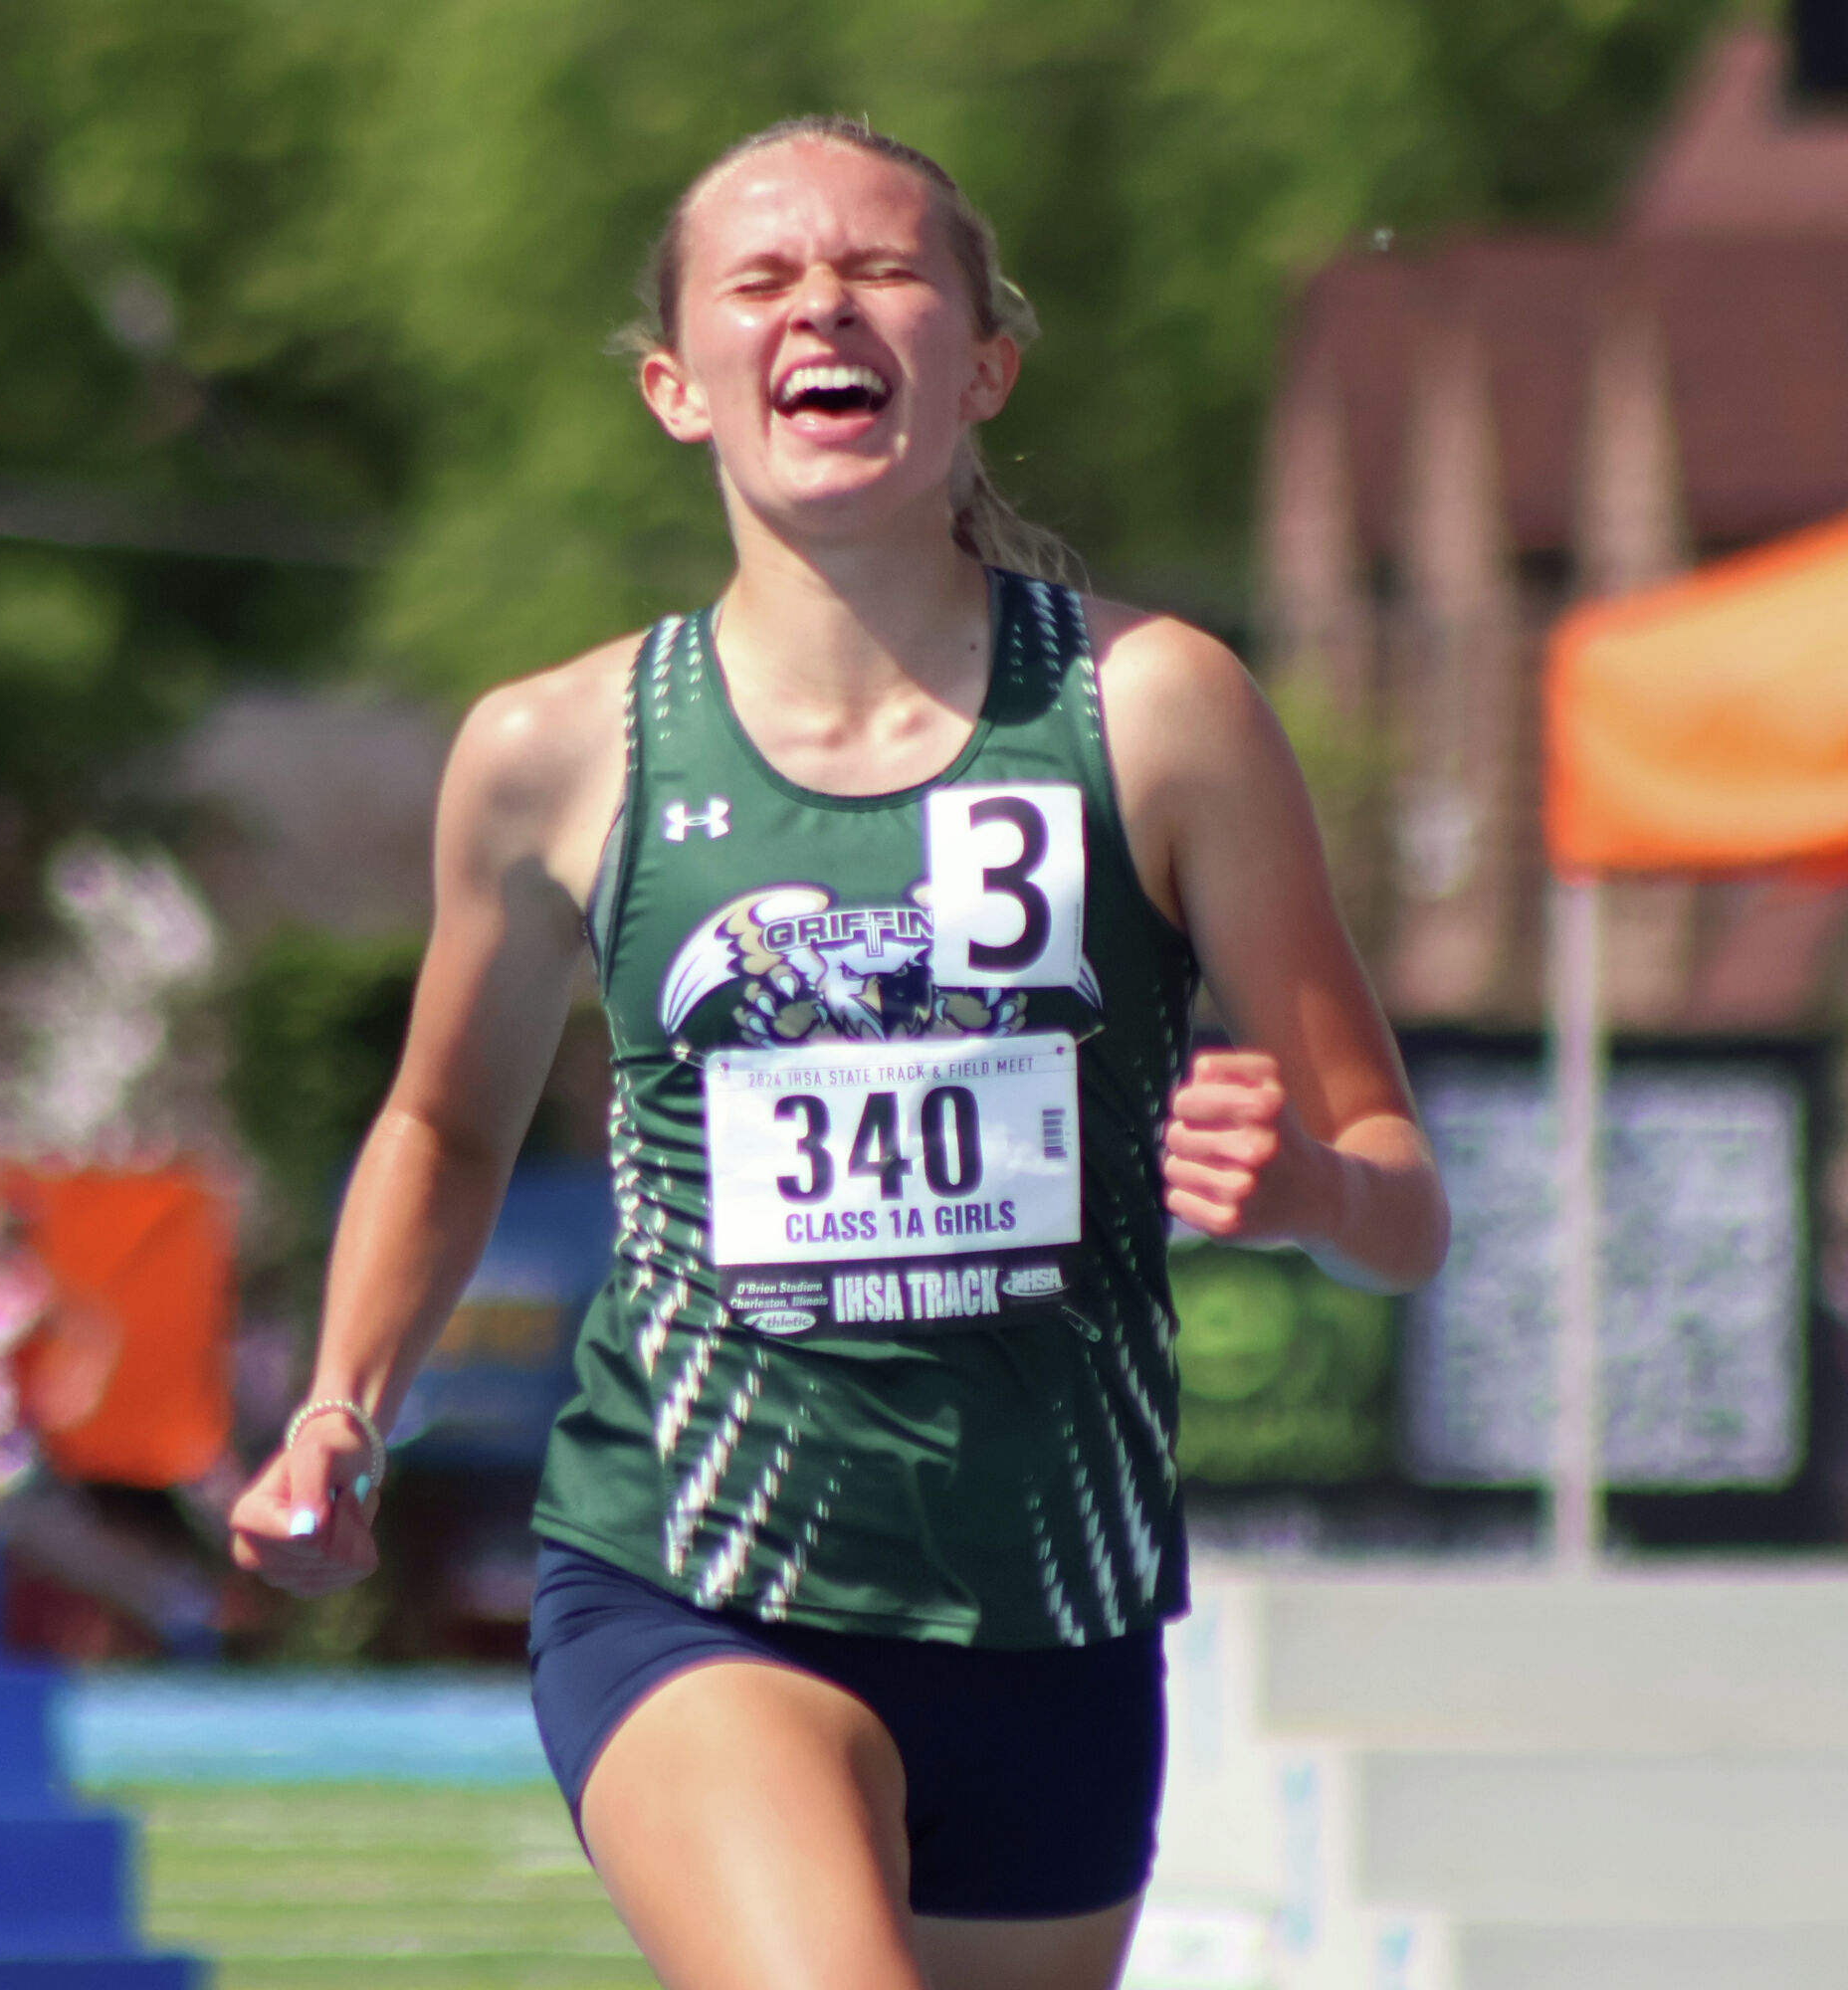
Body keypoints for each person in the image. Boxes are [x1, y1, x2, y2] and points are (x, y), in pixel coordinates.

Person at [231, 116, 1449, 1990]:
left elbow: (1405, 1203)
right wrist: (342, 1409)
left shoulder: (1159, 710)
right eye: (765, 279)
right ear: (677, 387)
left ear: (981, 365)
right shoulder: (558, 752)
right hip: (695, 1582)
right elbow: (442, 1127)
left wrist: (1304, 1190)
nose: (827, 304)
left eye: (884, 269)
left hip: (1055, 1613)